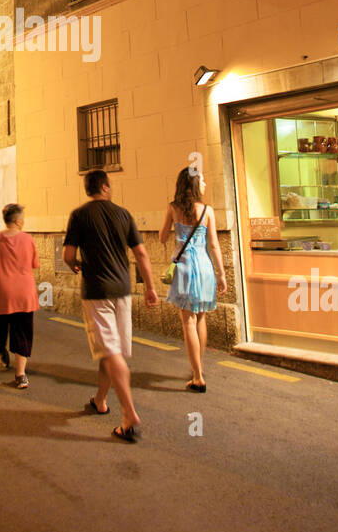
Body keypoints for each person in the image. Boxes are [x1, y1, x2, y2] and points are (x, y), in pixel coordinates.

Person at [63, 170, 159, 443]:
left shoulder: (79, 215)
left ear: (88, 189)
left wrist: (75, 265)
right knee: (113, 350)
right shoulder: (124, 214)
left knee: (109, 350)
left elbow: (68, 254)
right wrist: (151, 288)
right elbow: (141, 253)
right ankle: (100, 400)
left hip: (97, 292)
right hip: (123, 291)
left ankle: (129, 415)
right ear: (105, 187)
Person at [159, 170, 227, 392]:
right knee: (201, 318)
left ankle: (197, 376)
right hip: (205, 267)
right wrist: (222, 274)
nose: (205, 183)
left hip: (185, 267)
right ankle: (199, 367)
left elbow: (161, 237)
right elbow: (214, 245)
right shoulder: (207, 211)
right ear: (194, 186)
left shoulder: (173, 208)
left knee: (187, 321)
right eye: (202, 181)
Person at [0, 203, 39, 389]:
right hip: (25, 295)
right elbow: (34, 264)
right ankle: (21, 375)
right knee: (23, 334)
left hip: (2, 294)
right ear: (18, 221)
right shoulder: (28, 240)